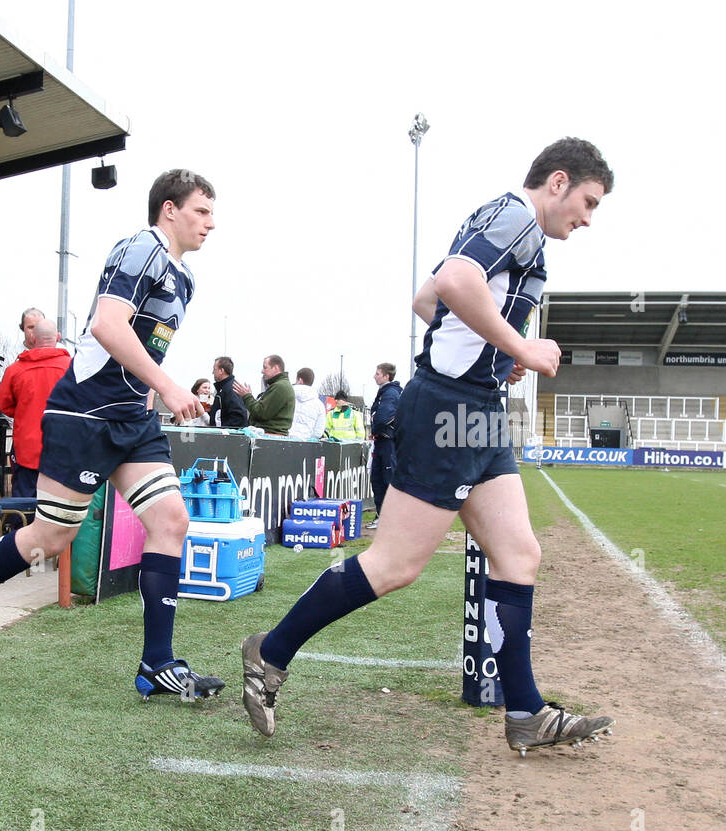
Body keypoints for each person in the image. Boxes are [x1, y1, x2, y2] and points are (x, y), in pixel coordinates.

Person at [241, 138, 616, 755]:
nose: (588, 217)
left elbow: (428, 304)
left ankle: (525, 710)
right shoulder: (515, 216)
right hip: (447, 408)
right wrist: (518, 347)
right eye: (588, 201)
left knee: (519, 554)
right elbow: (452, 280)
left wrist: (491, 352)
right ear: (558, 181)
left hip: (480, 410)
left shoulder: (511, 225)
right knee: (395, 565)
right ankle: (270, 652)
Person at [0, 168, 226, 701]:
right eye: (202, 210)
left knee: (172, 521)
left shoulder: (184, 278)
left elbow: (141, 347)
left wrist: (154, 394)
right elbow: (105, 326)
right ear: (170, 210)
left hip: (132, 419)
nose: (211, 222)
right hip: (85, 414)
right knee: (52, 536)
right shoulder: (141, 249)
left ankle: (157, 664)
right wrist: (169, 385)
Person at [0, 317, 71, 498]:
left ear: (33, 339)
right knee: (59, 510)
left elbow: (5, 404)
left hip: (26, 450)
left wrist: (25, 412)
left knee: (23, 510)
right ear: (58, 338)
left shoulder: (15, 370)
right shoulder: (73, 368)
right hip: (64, 450)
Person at [367, 362, 402, 528]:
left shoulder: (391, 393)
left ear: (386, 376)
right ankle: (382, 516)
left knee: (388, 480)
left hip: (388, 442)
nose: (375, 376)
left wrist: (375, 429)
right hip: (381, 441)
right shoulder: (384, 393)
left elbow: (383, 417)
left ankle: (393, 519)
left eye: (377, 373)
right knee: (377, 480)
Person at [235, 354, 294, 434]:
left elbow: (261, 413)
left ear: (276, 368)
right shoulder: (279, 386)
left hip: (271, 435)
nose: (262, 371)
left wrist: (247, 396)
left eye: (265, 367)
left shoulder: (280, 387)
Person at [208, 356, 248, 429]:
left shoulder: (230, 389)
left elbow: (238, 416)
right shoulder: (224, 388)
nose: (212, 372)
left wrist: (223, 431)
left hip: (227, 437)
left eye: (214, 369)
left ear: (221, 371)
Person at [287, 367, 326, 441]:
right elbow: (318, 433)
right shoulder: (320, 405)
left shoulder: (287, 396)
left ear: (300, 380)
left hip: (284, 441)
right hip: (306, 445)